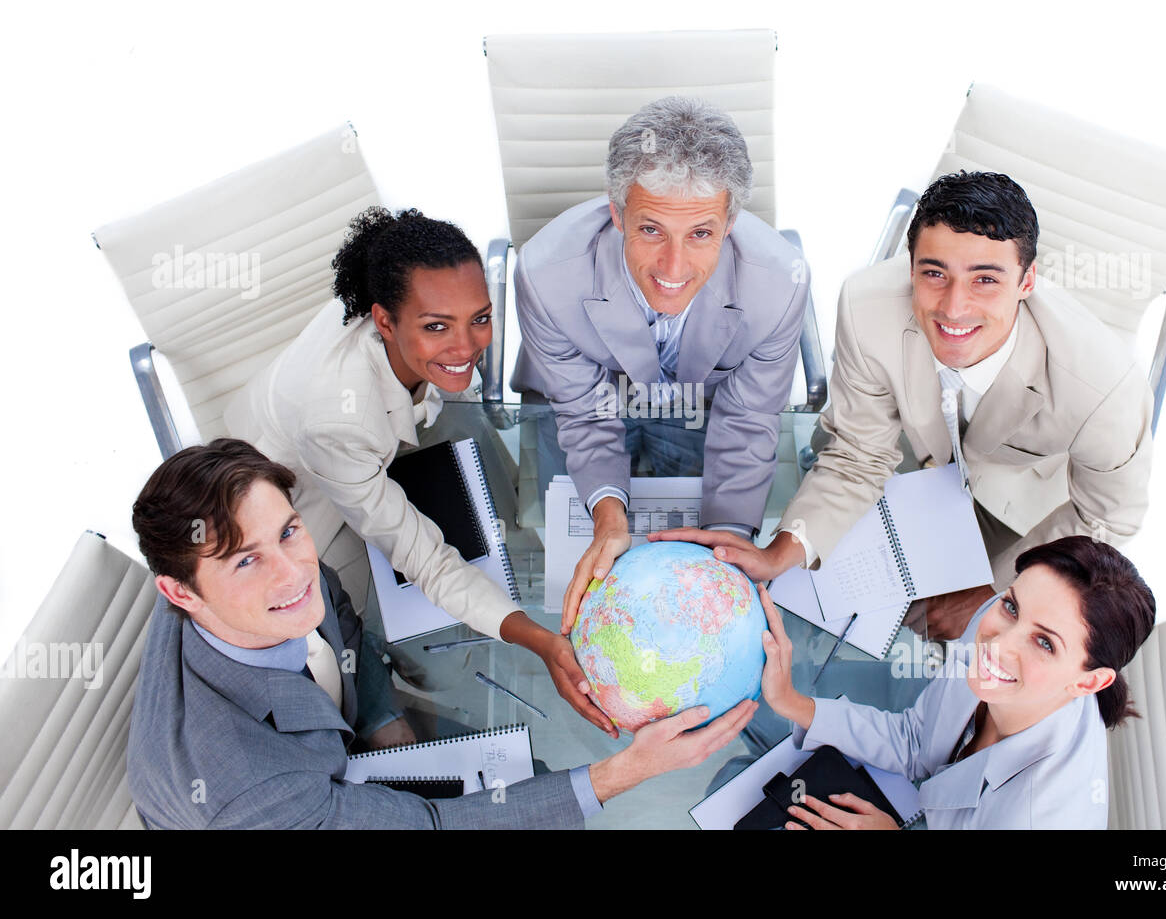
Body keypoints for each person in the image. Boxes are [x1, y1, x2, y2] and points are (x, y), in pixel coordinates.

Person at [126, 439, 756, 829]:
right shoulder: (250, 798)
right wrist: (620, 776)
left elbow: (337, 617)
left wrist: (377, 718)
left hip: (335, 769)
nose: (294, 572)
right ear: (179, 593)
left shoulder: (249, 576)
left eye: (290, 531)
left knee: (524, 770)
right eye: (246, 560)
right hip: (299, 809)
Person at [660, 171, 1154, 641]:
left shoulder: (1105, 388)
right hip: (909, 460)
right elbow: (857, 454)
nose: (954, 307)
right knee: (816, 603)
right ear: (910, 266)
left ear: (1027, 283)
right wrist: (779, 554)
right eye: (934, 273)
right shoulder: (866, 304)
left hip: (1017, 503)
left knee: (959, 636)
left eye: (985, 279)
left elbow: (1107, 517)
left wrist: (998, 597)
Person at [223, 207, 616, 736]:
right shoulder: (337, 419)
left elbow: (447, 361)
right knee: (420, 641)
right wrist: (540, 641)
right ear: (383, 320)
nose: (468, 347)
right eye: (437, 327)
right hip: (303, 497)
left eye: (480, 317)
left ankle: (538, 591)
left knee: (500, 509)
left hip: (384, 432)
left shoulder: (396, 304)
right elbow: (426, 561)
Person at [509, 96, 810, 633]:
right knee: (570, 548)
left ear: (731, 222)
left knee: (699, 543)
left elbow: (748, 423)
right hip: (585, 401)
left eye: (701, 234)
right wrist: (608, 517)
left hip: (704, 412)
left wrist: (729, 547)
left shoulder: (778, 286)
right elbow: (582, 413)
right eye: (650, 230)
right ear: (616, 212)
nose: (674, 268)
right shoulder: (543, 272)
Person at [758, 536, 1155, 829]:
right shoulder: (994, 620)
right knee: (757, 741)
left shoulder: (1038, 817)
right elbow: (918, 739)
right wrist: (791, 701)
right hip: (913, 799)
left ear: (1089, 683)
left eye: (1045, 643)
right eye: (1012, 605)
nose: (998, 644)